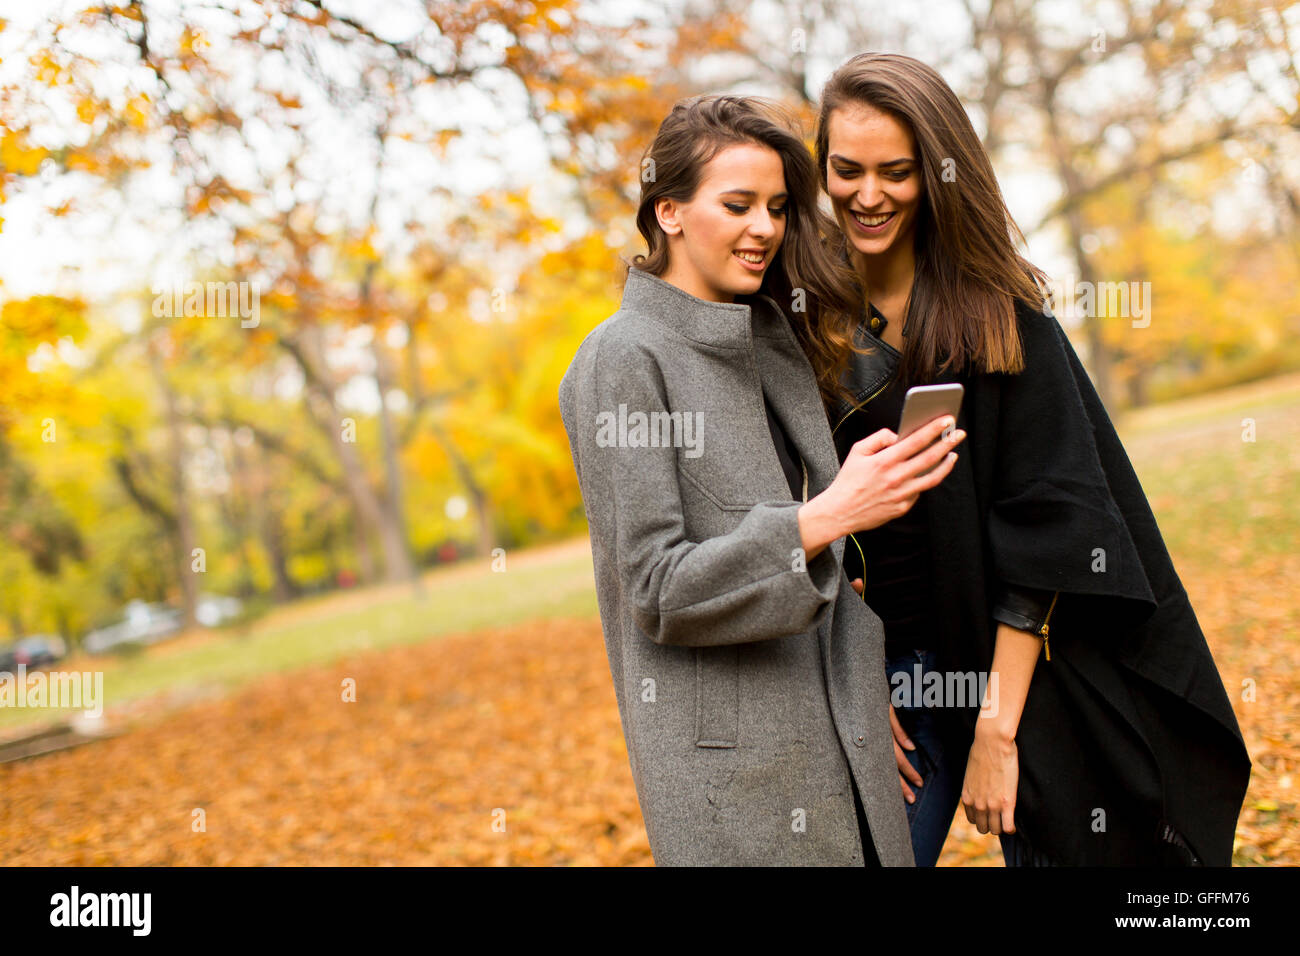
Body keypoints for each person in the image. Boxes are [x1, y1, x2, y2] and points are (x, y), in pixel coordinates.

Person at [810, 52, 1251, 866]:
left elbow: (1056, 527)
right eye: (846, 170)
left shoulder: (1001, 321)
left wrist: (995, 729)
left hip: (1014, 658)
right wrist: (855, 675)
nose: (867, 196)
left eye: (896, 172)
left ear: (937, 173)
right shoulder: (806, 323)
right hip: (892, 675)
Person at [557, 94, 967, 865]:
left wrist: (848, 679)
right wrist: (827, 517)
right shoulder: (623, 359)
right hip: (736, 779)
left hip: (842, 732)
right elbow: (658, 588)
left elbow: (812, 572)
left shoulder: (770, 336)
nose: (765, 229)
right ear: (668, 211)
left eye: (777, 207)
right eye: (737, 204)